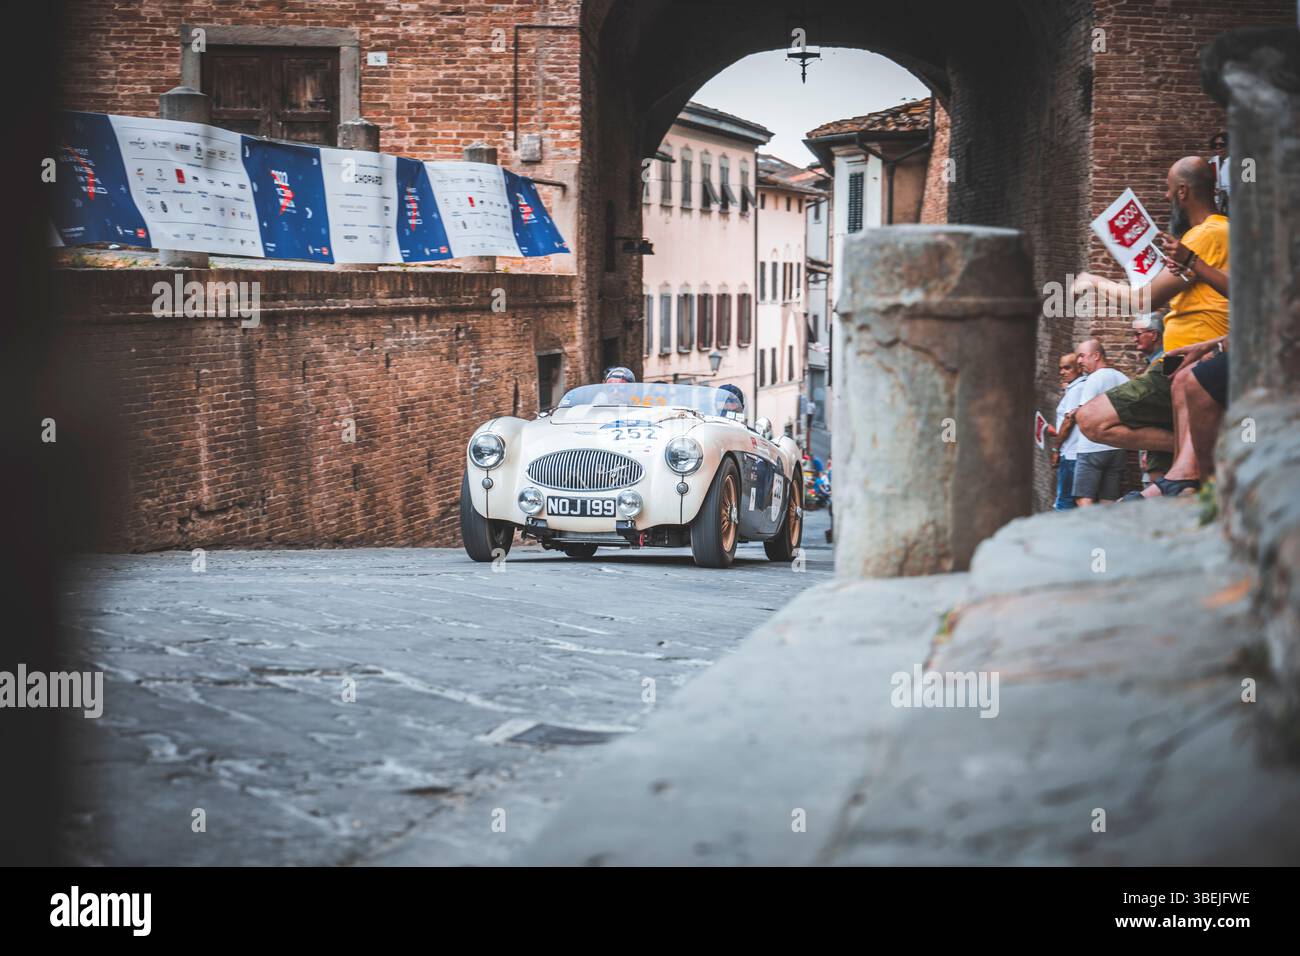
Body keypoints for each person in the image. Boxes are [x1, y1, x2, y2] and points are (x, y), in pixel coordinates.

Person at [1072, 157, 1229, 482]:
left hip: (1185, 357)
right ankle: (1195, 453)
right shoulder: (1218, 233)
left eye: (1169, 190)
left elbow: (1145, 299)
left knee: (1091, 420)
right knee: (1159, 474)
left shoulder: (1205, 236)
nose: (1167, 197)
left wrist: (1092, 281)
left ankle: (1207, 447)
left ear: (1183, 191)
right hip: (1185, 354)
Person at [1070, 340, 1129, 505]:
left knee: (1083, 500)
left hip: (1091, 447)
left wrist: (1074, 413)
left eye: (1082, 356)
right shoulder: (1122, 377)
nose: (1079, 361)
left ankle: (1089, 531)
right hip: (1117, 448)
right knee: (1108, 502)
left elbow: (1084, 414)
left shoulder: (1094, 379)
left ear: (1096, 356)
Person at [1130, 311, 1169, 483]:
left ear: (1153, 335)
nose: (1134, 339)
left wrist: (1147, 450)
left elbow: (1160, 409)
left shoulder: (1165, 363)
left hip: (1160, 454)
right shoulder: (1153, 363)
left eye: (1138, 334)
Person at [1048, 352, 1089, 510]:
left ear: (1079, 369)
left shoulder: (1077, 389)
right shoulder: (1077, 387)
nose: (1062, 372)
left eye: (1067, 368)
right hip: (1074, 452)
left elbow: (1068, 421)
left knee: (1064, 501)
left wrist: (1056, 449)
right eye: (1060, 368)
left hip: (1071, 454)